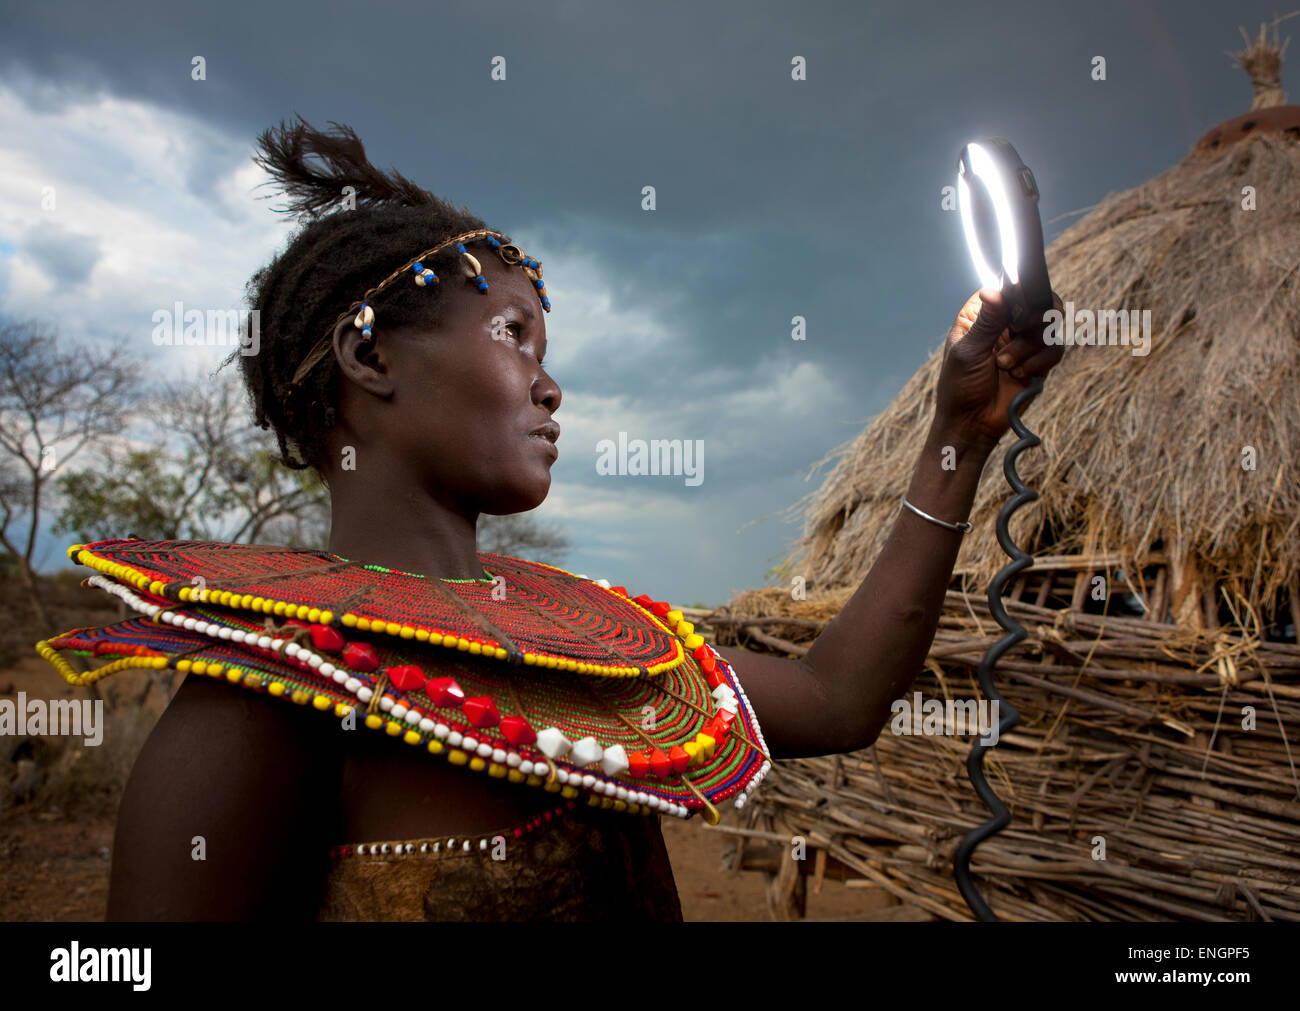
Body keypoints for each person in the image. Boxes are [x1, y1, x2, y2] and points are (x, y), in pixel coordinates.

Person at [38, 118, 1064, 921]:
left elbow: (839, 700)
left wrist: (957, 434)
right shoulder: (275, 695)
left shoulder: (590, 637)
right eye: (514, 335)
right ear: (370, 356)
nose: (550, 385)